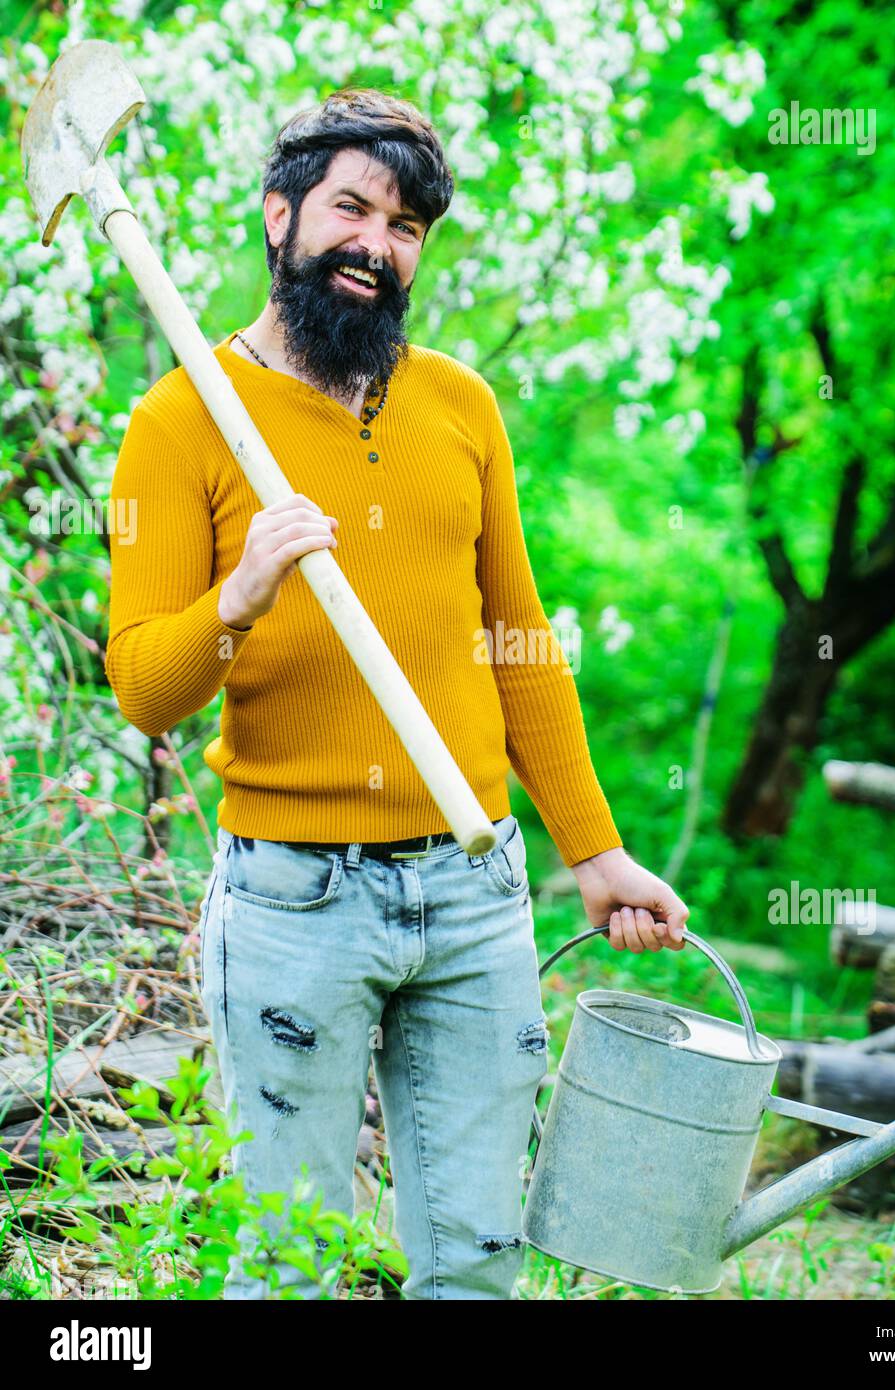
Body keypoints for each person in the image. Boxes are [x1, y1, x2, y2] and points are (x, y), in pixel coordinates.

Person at [104, 88, 689, 1300]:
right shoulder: (179, 422)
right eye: (350, 208)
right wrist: (240, 594)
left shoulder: (460, 404)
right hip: (291, 899)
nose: (377, 243)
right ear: (281, 217)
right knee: (290, 1265)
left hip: (474, 888)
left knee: (477, 1263)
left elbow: (518, 639)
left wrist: (595, 848)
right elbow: (145, 690)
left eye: (407, 225)